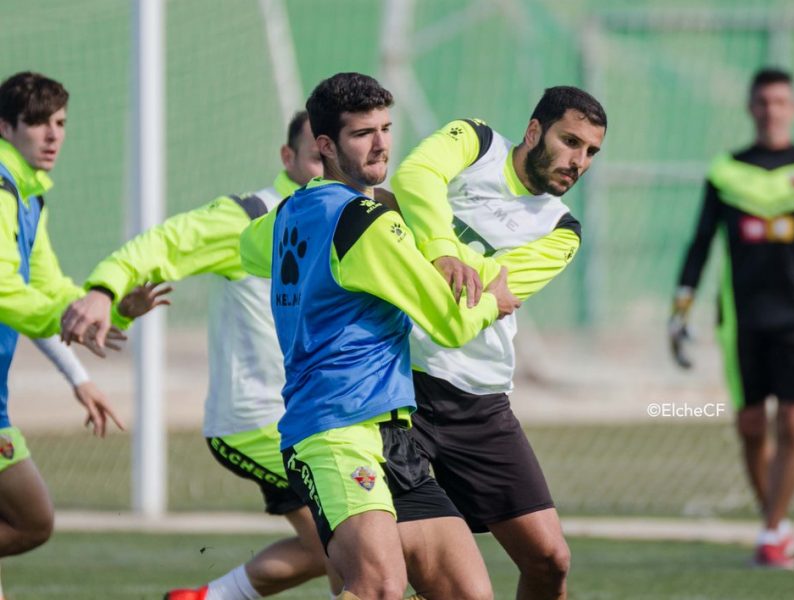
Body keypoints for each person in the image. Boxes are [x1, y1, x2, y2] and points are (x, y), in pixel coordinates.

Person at [240, 72, 520, 600]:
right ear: (324, 145)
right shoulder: (365, 222)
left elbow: (247, 248)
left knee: (469, 593)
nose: (381, 144)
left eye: (386, 128)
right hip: (336, 433)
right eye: (361, 133)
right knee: (378, 588)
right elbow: (451, 322)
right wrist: (494, 302)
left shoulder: (287, 215)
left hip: (395, 437)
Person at [60, 111, 345, 599]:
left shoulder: (351, 216)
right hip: (256, 421)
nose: (327, 167)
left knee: (329, 547)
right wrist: (107, 289)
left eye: (333, 155)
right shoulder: (252, 217)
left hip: (313, 418)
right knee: (355, 525)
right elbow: (169, 241)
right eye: (317, 158)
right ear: (288, 157)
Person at [389, 86, 606, 599]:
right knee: (390, 571)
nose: (578, 161)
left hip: (478, 402)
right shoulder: (476, 141)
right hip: (400, 385)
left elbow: (493, 293)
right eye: (569, 141)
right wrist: (443, 251)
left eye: (591, 152)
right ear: (534, 131)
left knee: (550, 560)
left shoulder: (562, 230)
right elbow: (413, 176)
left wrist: (422, 239)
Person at [668, 68, 794, 570]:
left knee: (791, 420)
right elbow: (700, 242)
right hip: (740, 321)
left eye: (780, 101)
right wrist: (681, 304)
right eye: (762, 101)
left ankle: (773, 530)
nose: (771, 109)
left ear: (793, 107)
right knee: (752, 425)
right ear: (751, 108)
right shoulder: (727, 172)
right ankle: (775, 522)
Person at [0, 71, 144, 597]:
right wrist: (70, 324)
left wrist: (109, 312)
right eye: (38, 123)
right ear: (5, 126)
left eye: (59, 123)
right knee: (31, 517)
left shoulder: (28, 196)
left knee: (32, 520)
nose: (53, 135)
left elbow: (49, 287)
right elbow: (3, 292)